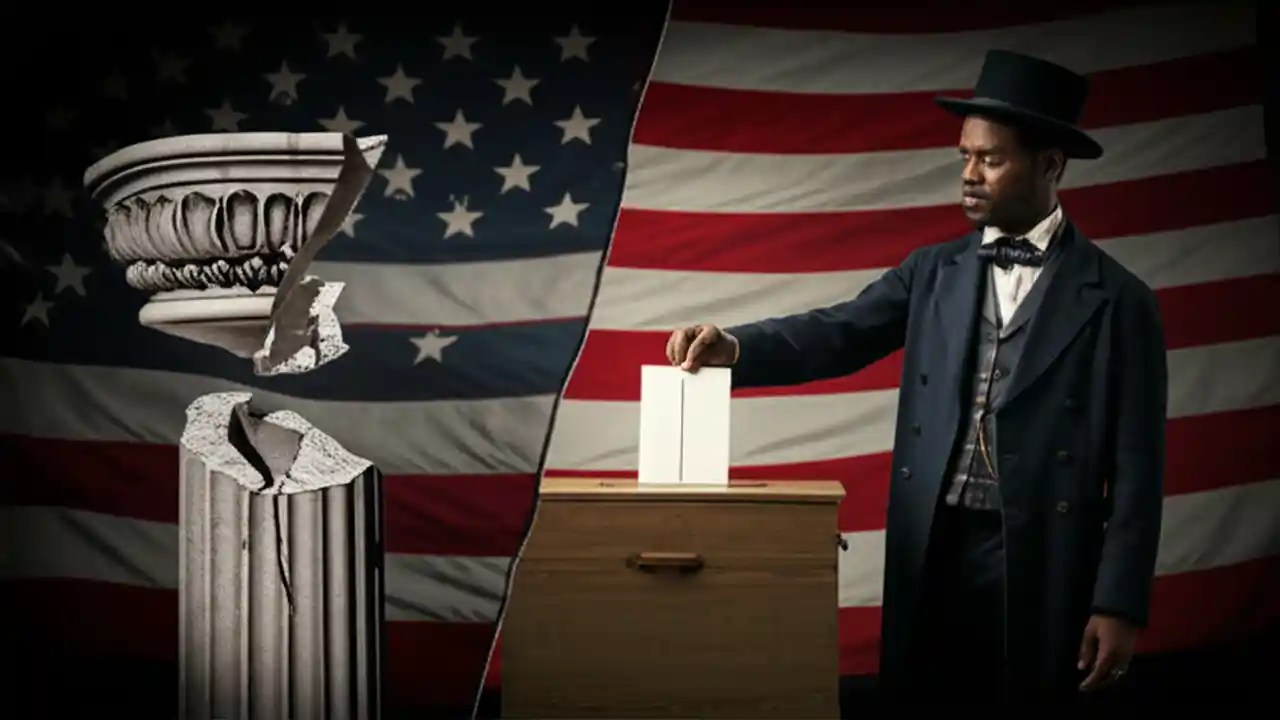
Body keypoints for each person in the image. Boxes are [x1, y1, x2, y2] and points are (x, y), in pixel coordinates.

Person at [665, 50, 1168, 702]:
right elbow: (838, 332)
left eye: (991, 159)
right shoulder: (931, 272)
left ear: (1050, 165)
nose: (969, 175)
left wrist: (1119, 602)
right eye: (965, 156)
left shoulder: (1119, 300)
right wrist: (736, 347)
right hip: (932, 540)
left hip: (1046, 553)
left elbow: (1138, 469)